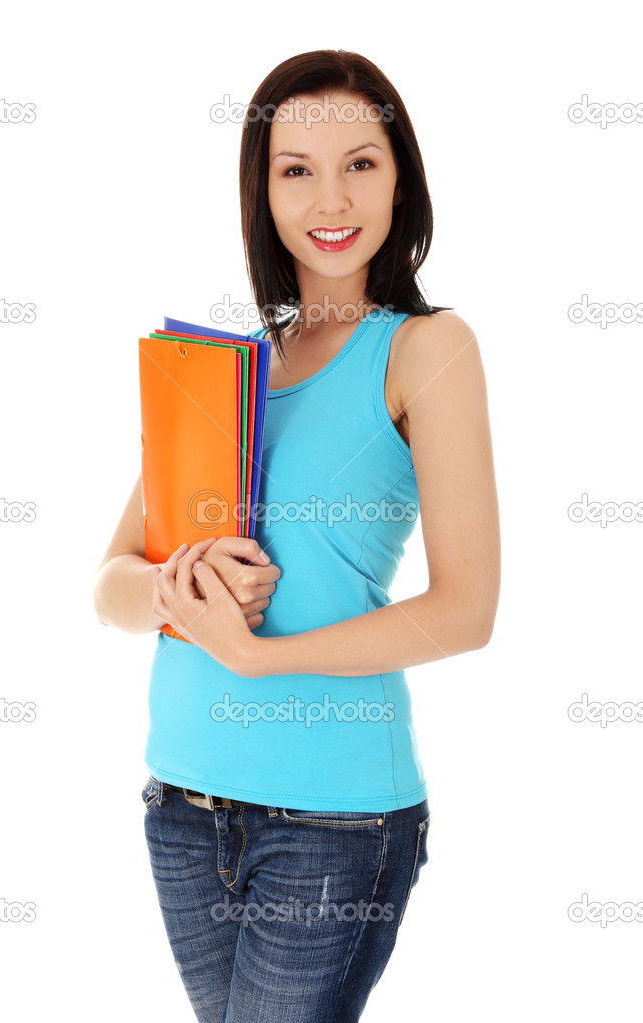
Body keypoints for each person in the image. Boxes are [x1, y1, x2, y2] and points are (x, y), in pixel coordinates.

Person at [93, 48, 500, 1023]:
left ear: (400, 178)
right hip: (184, 807)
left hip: (333, 821)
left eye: (361, 162)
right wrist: (175, 589)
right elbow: (110, 582)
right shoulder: (224, 364)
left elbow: (466, 612)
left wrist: (255, 656)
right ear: (263, 191)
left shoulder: (423, 347)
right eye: (296, 169)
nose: (332, 195)